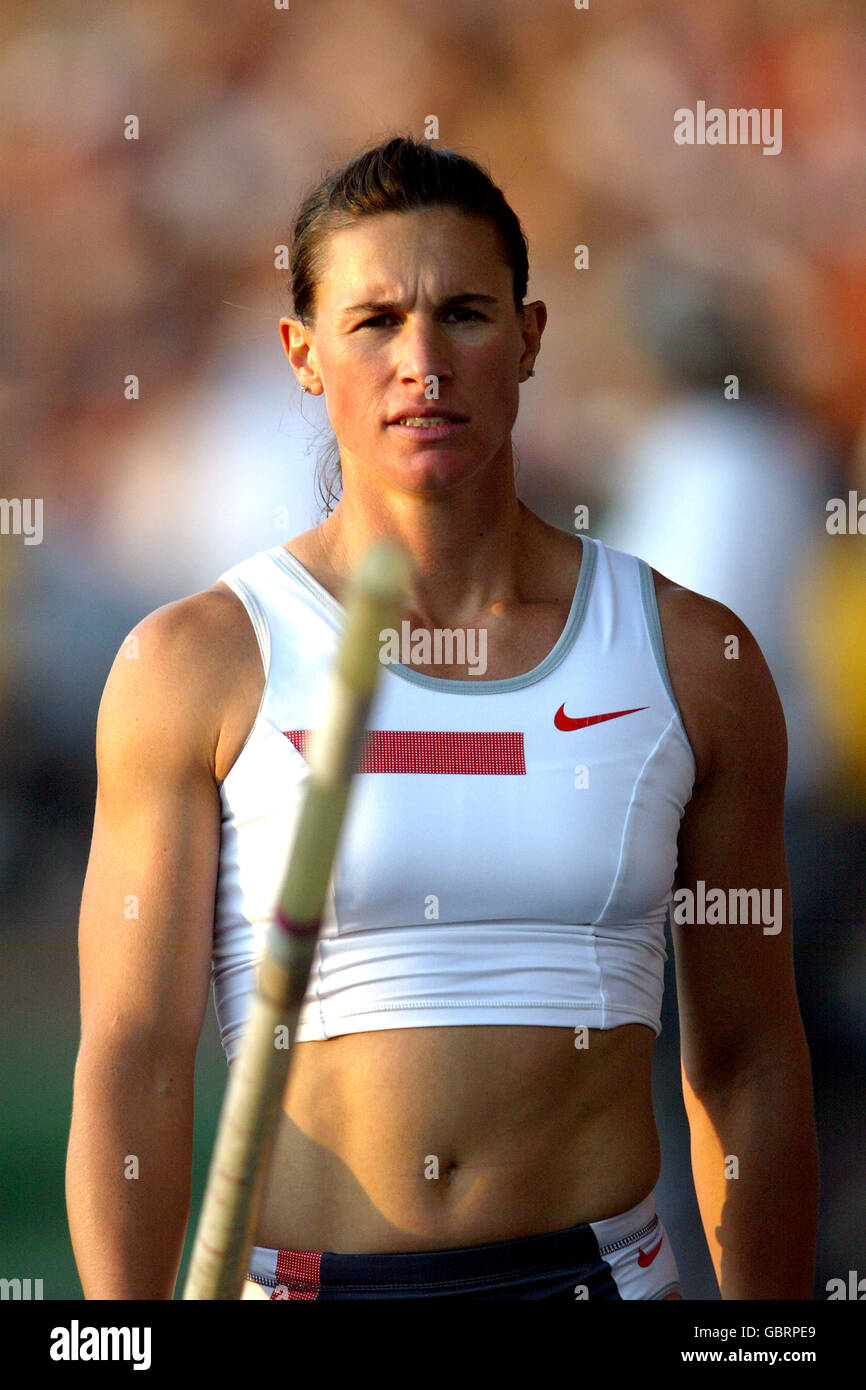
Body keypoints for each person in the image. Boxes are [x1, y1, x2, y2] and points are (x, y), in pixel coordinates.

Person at [66, 135, 818, 1301]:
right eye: (372, 322)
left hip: (601, 1282)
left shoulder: (691, 656)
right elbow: (133, 1061)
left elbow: (750, 1059)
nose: (421, 362)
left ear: (527, 338)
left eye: (463, 312)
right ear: (302, 355)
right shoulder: (193, 664)